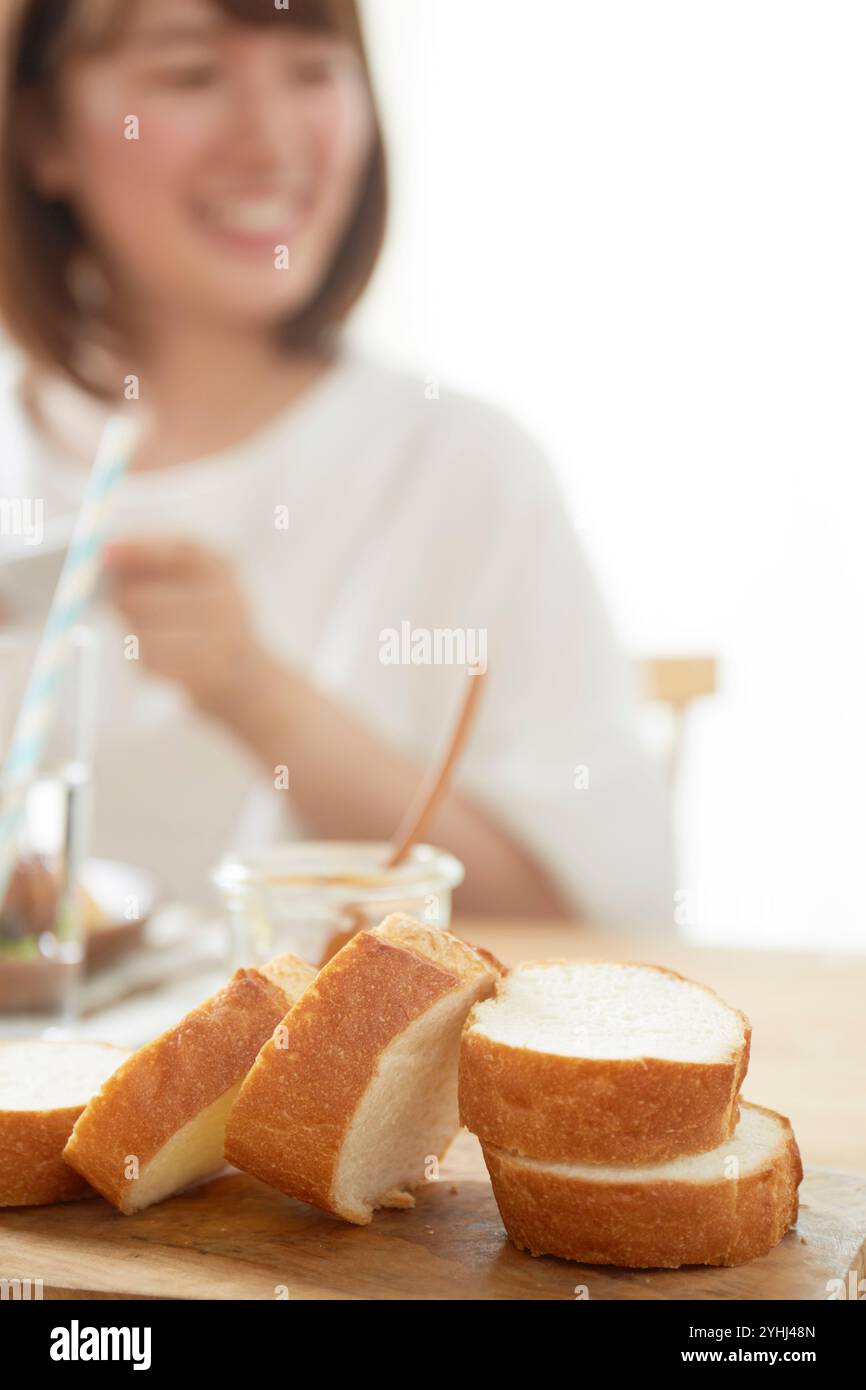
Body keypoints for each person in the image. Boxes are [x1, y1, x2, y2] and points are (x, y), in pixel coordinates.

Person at [0, 0, 674, 924]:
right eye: (192, 75)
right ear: (41, 132)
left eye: (312, 71)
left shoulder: (463, 470)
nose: (271, 138)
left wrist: (250, 688)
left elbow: (599, 931)